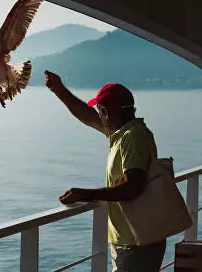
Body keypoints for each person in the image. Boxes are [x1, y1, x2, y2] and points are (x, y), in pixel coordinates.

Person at [44, 70, 165, 272]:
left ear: (107, 113)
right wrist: (59, 90)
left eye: (100, 111)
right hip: (134, 237)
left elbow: (133, 186)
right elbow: (87, 116)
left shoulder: (132, 138)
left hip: (135, 242)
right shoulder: (125, 132)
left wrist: (86, 194)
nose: (98, 115)